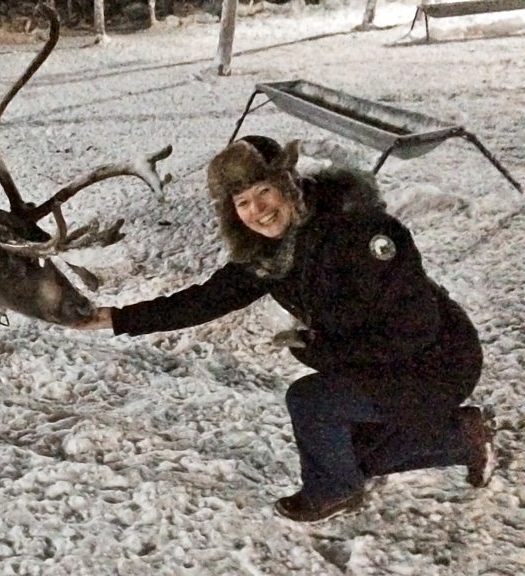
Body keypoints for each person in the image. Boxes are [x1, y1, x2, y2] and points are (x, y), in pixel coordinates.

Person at [77, 135, 496, 522]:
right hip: (382, 361)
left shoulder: (359, 233)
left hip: (437, 360)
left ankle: (335, 491)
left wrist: (322, 350)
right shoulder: (271, 254)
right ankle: (462, 437)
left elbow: (414, 328)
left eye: (264, 192)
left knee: (313, 401)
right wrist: (115, 318)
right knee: (346, 451)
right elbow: (204, 300)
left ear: (288, 183)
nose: (257, 210)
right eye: (242, 203)